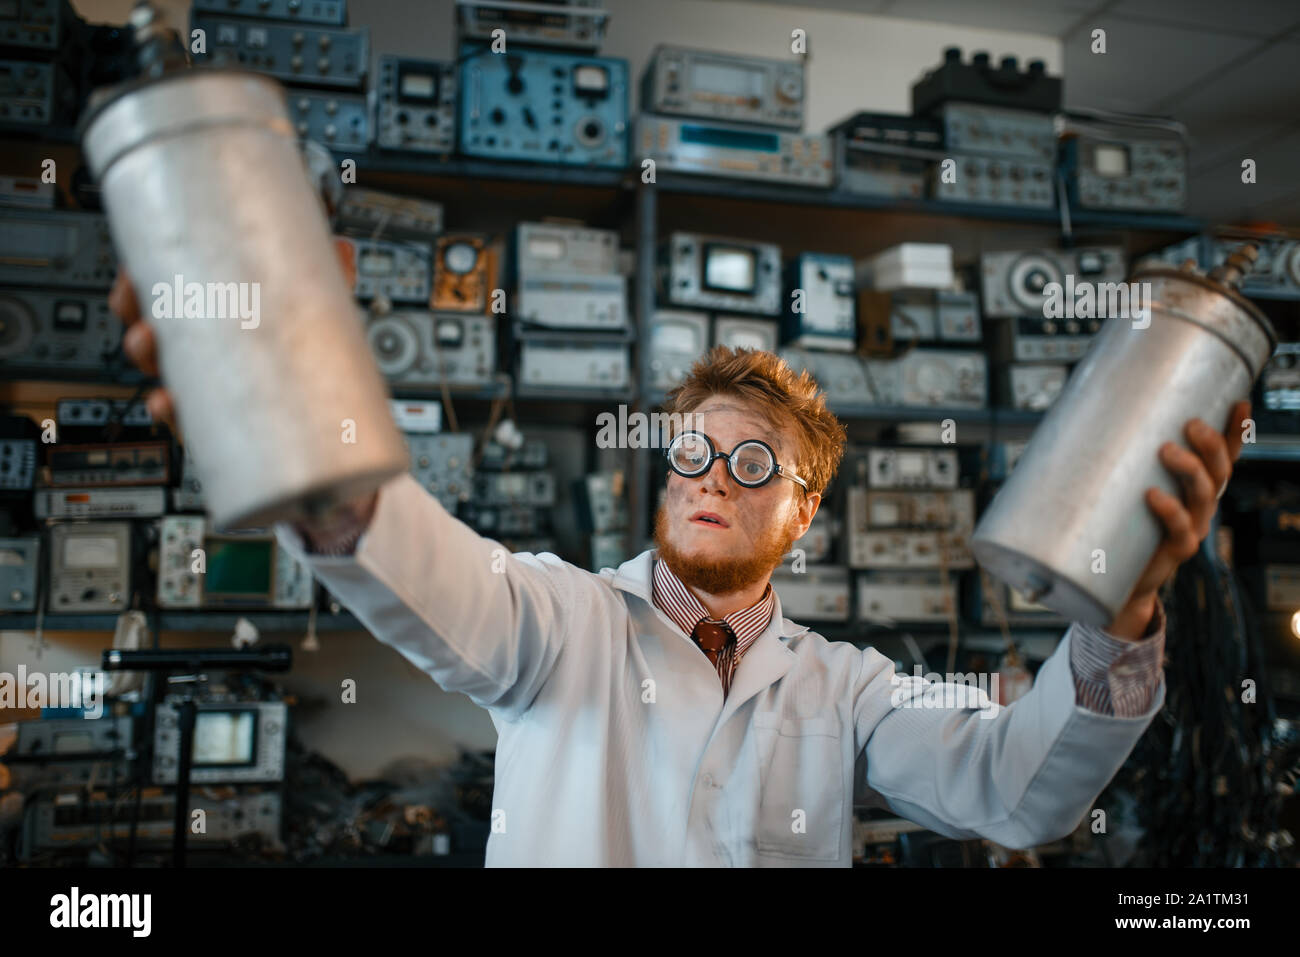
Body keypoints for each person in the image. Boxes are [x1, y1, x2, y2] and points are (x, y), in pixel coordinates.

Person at [109, 256, 1250, 867]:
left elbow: (1014, 794)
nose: (709, 477)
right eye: (691, 452)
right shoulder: (561, 625)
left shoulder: (847, 689)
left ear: (804, 512)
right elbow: (441, 583)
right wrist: (326, 469)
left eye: (753, 465)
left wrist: (1128, 602)